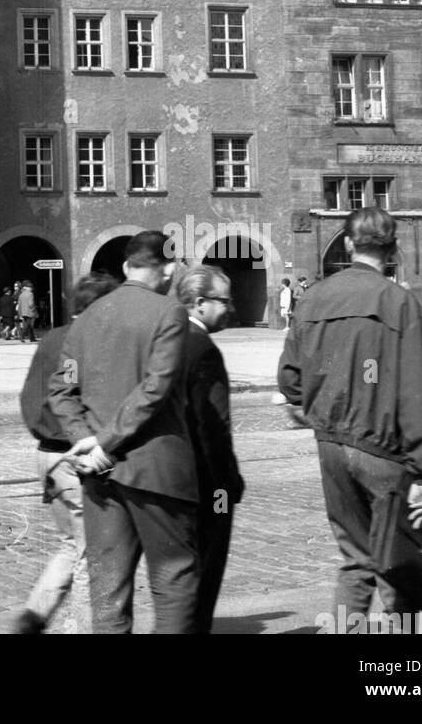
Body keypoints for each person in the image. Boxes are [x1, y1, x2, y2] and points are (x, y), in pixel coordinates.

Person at [278, 207, 422, 629]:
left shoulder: (313, 297)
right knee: (396, 562)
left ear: (348, 244)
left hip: (332, 446)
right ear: (392, 248)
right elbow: (416, 391)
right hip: (384, 449)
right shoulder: (402, 303)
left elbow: (290, 379)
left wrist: (316, 405)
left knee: (355, 559)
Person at [49, 232, 200, 634]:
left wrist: (85, 439)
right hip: (156, 472)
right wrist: (105, 441)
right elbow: (156, 387)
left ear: (125, 267)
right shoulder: (170, 313)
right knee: (173, 582)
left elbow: (61, 388)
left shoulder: (90, 316)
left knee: (108, 589)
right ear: (169, 268)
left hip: (98, 476)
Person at [10, 270, 121, 634]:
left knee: (71, 546)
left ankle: (33, 616)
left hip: (46, 454)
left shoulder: (52, 338)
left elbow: (31, 397)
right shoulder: (86, 342)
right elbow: (72, 393)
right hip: (75, 458)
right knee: (92, 558)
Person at [177, 266, 244, 633]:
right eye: (223, 301)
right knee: (209, 559)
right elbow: (214, 426)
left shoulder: (167, 337)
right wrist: (228, 483)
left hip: (173, 478)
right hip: (209, 483)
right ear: (200, 303)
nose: (230, 308)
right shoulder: (203, 349)